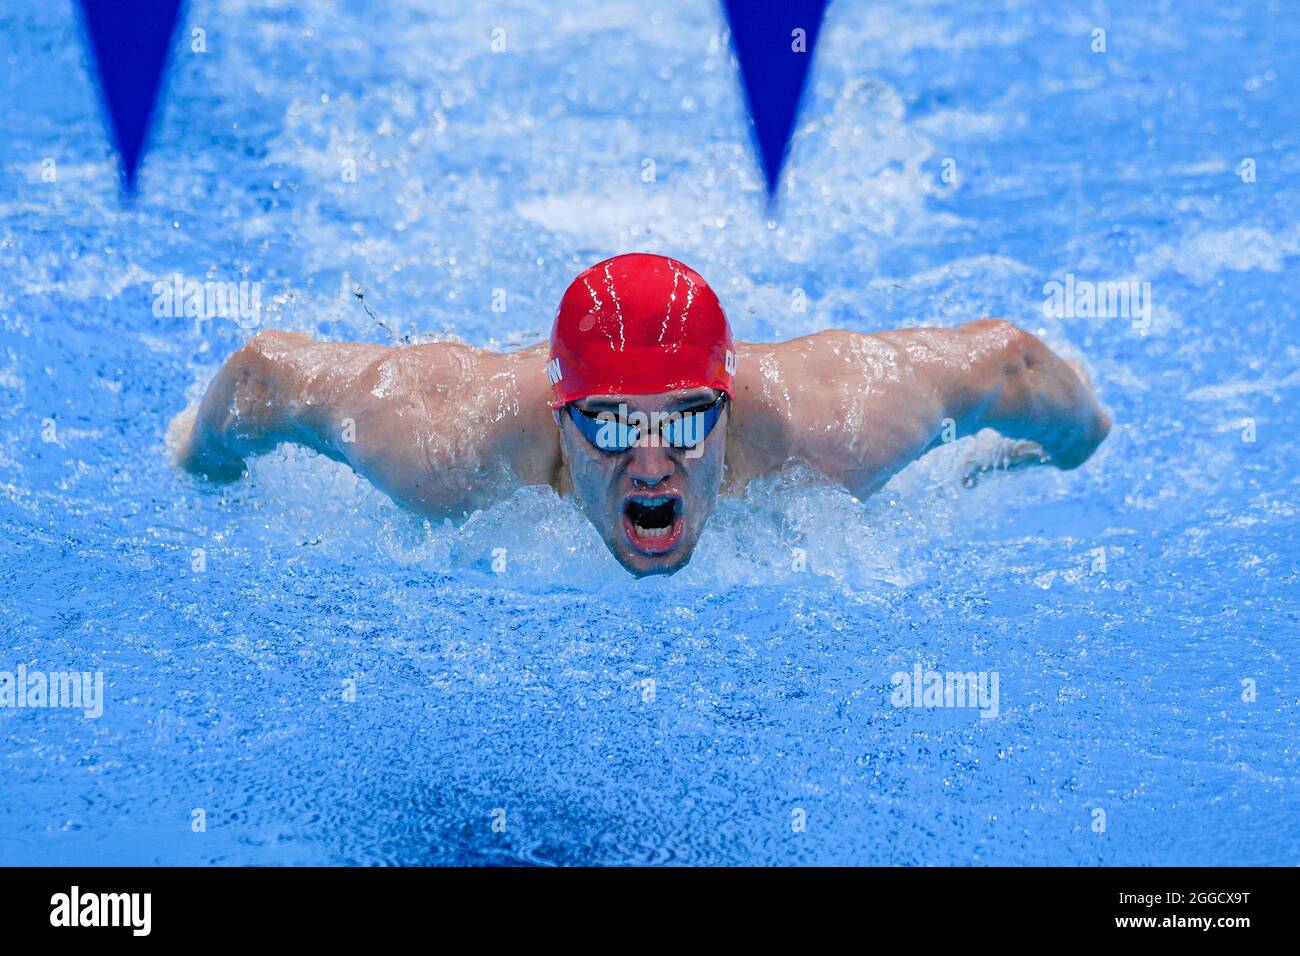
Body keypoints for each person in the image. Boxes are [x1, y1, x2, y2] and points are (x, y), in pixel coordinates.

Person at [168, 253, 1112, 576]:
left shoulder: (830, 429)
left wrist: (1080, 441)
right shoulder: (447, 450)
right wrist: (199, 465)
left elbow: (1011, 362)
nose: (654, 465)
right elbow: (261, 377)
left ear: (728, 405)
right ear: (559, 413)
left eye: (686, 422)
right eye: (615, 426)